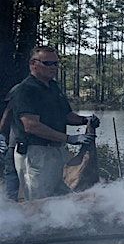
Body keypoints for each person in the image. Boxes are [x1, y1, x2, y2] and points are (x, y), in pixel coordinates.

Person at [7, 46, 98, 200]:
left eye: (56, 64)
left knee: (60, 197)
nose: (54, 68)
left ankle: (57, 223)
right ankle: (33, 224)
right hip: (35, 153)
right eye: (48, 63)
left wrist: (85, 120)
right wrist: (70, 138)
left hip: (56, 151)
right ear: (33, 64)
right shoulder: (25, 90)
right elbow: (31, 126)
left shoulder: (53, 87)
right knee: (40, 202)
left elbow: (67, 115)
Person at [0, 88, 21, 201]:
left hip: (17, 142)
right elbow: (8, 113)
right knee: (12, 175)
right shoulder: (23, 88)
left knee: (11, 175)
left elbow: (7, 114)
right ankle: (10, 206)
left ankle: (11, 204)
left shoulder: (20, 88)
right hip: (16, 143)